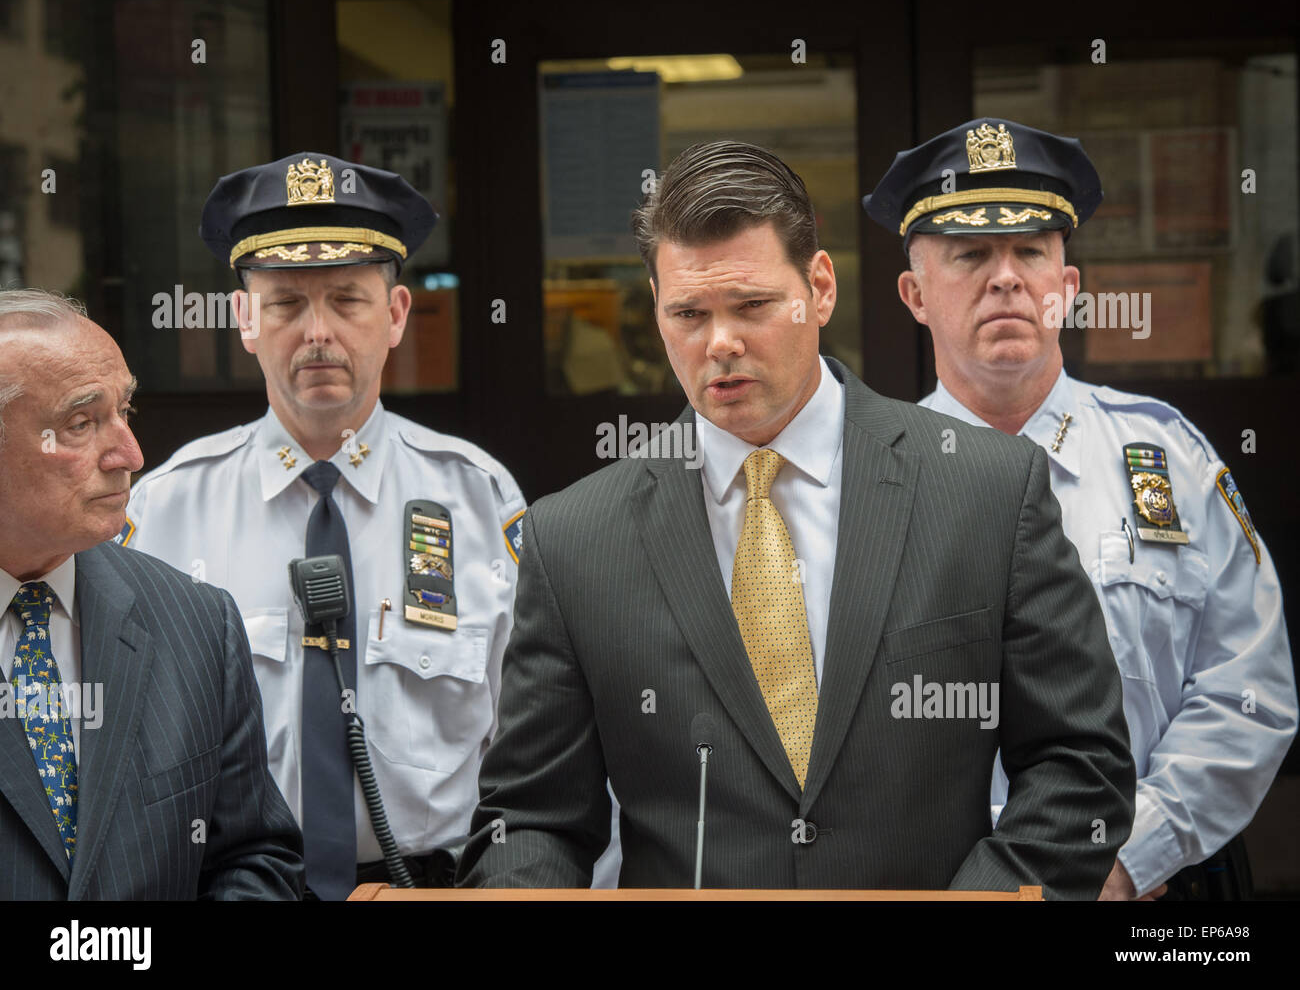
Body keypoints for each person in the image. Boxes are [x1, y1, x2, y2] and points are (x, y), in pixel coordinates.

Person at [457, 140, 1135, 898]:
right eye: (688, 313)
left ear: (819, 288)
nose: (720, 343)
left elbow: (1080, 767)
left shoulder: (987, 490)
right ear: (656, 308)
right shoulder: (576, 540)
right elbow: (534, 820)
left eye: (750, 305)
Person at [865, 118, 1298, 900]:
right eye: (970, 255)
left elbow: (1251, 684)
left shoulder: (1168, 458)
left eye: (1030, 252)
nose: (1006, 278)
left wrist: (1133, 854)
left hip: (1158, 888)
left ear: (1067, 289)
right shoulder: (862, 486)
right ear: (915, 294)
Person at [124, 153, 526, 899]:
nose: (319, 333)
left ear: (397, 314)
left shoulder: (479, 499)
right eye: (284, 305)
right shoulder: (164, 511)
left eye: (347, 300)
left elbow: (538, 751)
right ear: (244, 320)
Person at [0, 289, 303, 899]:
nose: (130, 455)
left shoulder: (196, 622)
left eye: (124, 412)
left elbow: (253, 857)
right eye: (82, 424)